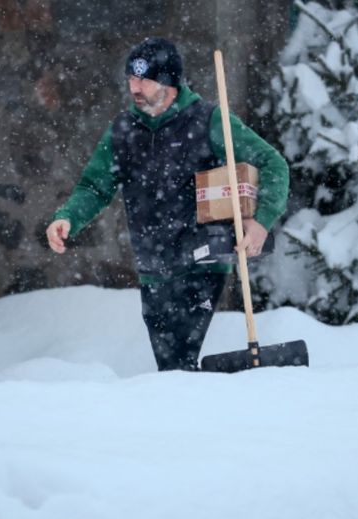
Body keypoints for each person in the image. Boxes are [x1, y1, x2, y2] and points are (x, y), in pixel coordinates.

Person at [46, 37, 289, 372]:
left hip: (203, 262)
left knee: (181, 362)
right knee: (170, 368)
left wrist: (261, 220)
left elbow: (273, 163)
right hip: (153, 269)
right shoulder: (123, 132)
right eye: (131, 79)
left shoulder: (208, 121)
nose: (135, 87)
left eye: (145, 79)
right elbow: (94, 186)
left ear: (170, 82)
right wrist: (69, 217)